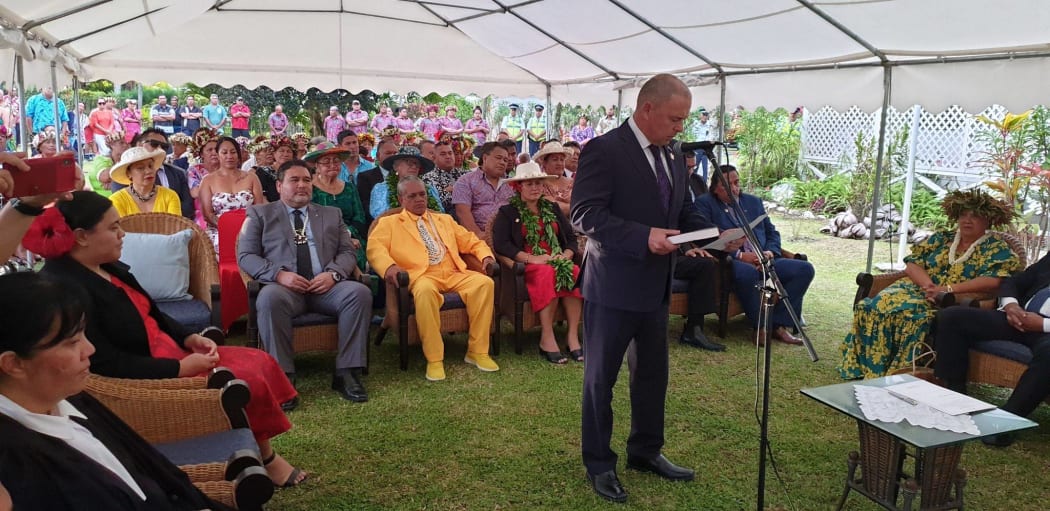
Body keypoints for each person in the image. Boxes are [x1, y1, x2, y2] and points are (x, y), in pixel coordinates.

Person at [30, 191, 304, 487]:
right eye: (113, 228)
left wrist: (188, 338)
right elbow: (104, 363)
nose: (122, 234)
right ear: (82, 236)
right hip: (148, 371)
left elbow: (152, 312)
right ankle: (267, 458)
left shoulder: (103, 264)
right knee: (246, 375)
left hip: (170, 350)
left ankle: (262, 453)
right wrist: (180, 369)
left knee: (258, 360)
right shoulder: (66, 289)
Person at [571, 74, 716, 502]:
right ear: (647, 108)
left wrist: (713, 234)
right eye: (674, 118)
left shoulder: (672, 155)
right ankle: (599, 463)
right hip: (612, 287)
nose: (679, 128)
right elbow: (584, 214)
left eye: (684, 120)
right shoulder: (604, 149)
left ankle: (646, 451)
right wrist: (642, 236)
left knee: (652, 376)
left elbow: (683, 211)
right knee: (601, 380)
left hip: (656, 287)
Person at [0, 272, 234, 510]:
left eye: (84, 335)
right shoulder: (19, 466)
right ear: (13, 364)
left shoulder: (70, 400)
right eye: (71, 342)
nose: (89, 349)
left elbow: (155, 478)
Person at [840, 189, 1021, 380]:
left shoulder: (996, 248)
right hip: (917, 287)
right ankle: (864, 367)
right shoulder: (941, 238)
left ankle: (900, 373)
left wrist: (945, 290)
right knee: (872, 305)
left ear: (989, 220)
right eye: (963, 215)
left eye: (975, 216)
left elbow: (994, 280)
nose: (967, 220)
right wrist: (929, 286)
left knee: (909, 315)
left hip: (950, 299)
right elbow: (912, 264)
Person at [238, 160, 372, 403]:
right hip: (285, 289)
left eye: (307, 180)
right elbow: (246, 256)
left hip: (326, 288)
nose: (302, 185)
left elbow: (347, 252)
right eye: (294, 180)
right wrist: (279, 275)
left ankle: (346, 372)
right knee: (268, 298)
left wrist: (332, 274)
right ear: (279, 186)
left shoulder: (331, 214)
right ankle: (283, 376)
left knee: (359, 292)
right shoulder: (260, 214)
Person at [367, 175, 498, 381]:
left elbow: (471, 241)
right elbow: (375, 249)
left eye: (422, 194)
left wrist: (486, 256)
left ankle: (478, 351)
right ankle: (435, 359)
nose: (419, 199)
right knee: (425, 291)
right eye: (412, 196)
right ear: (401, 200)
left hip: (453, 272)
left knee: (484, 283)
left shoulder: (444, 219)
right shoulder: (389, 223)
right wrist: (390, 267)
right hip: (420, 275)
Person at [934, 250, 1050, 447]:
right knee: (951, 317)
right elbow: (1015, 281)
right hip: (1018, 318)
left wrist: (1043, 325)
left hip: (1046, 331)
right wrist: (1011, 306)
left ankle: (1007, 422)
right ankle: (955, 395)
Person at [697, 165, 813, 346]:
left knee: (805, 269)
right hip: (733, 260)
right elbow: (706, 237)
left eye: (736, 183)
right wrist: (741, 256)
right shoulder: (705, 203)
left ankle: (778, 324)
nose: (734, 188)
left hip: (764, 257)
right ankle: (760, 327)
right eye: (728, 185)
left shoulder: (753, 202)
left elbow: (772, 232)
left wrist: (770, 252)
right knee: (746, 273)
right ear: (715, 188)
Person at [492, 162, 583, 363]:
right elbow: (501, 244)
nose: (535, 188)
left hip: (557, 258)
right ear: (519, 187)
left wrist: (566, 255)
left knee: (574, 271)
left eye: (538, 183)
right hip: (529, 264)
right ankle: (547, 337)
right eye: (529, 184)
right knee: (547, 273)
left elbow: (570, 238)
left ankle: (572, 337)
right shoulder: (508, 212)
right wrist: (532, 258)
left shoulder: (552, 207)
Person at [304, 142, 367, 269]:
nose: (332, 165)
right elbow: (307, 219)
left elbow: (359, 217)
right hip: (318, 239)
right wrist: (339, 239)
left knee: (357, 254)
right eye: (326, 162)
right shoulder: (310, 189)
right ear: (317, 166)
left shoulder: (349, 188)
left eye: (336, 161)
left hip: (351, 237)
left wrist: (348, 235)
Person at [199, 137, 265, 251]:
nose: (229, 156)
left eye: (233, 152)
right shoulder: (207, 180)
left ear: (238, 154)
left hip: (249, 230)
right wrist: (227, 227)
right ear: (218, 155)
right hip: (219, 231)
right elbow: (208, 214)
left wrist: (245, 228)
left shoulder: (251, 177)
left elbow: (259, 208)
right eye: (224, 152)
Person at [125, 129, 194, 220]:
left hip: (174, 227)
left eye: (164, 147)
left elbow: (187, 208)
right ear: (140, 145)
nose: (159, 149)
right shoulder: (124, 176)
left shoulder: (179, 173)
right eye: (154, 144)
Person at [452, 141, 512, 238]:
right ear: (484, 158)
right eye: (498, 158)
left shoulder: (511, 184)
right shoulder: (465, 181)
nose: (502, 162)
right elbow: (462, 213)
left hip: (510, 238)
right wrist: (479, 235)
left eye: (505, 160)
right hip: (480, 238)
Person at [369, 146, 443, 220]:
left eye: (417, 164)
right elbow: (380, 216)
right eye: (409, 162)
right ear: (396, 166)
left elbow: (440, 214)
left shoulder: (429, 189)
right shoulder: (382, 189)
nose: (414, 166)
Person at [107, 147, 181, 217]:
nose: (148, 171)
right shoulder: (117, 200)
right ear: (128, 174)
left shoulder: (170, 196)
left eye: (150, 166)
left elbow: (175, 228)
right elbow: (120, 228)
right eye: (140, 168)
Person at [185, 128, 222, 231]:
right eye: (209, 150)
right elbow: (195, 192)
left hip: (226, 210)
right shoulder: (194, 170)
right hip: (202, 212)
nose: (214, 153)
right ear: (201, 154)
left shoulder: (226, 168)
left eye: (216, 149)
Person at [356, 139, 400, 223]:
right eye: (388, 153)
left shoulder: (403, 176)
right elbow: (364, 207)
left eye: (395, 153)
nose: (392, 156)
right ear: (377, 156)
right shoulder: (365, 177)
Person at [422, 138, 467, 213]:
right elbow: (439, 203)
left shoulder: (464, 174)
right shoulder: (429, 177)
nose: (448, 156)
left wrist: (451, 190)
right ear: (434, 158)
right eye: (443, 154)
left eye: (450, 153)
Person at [532, 141, 574, 217]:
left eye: (562, 160)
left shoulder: (572, 182)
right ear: (544, 163)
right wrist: (573, 207)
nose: (559, 163)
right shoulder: (539, 184)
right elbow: (551, 207)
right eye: (555, 159)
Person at [87, 132, 128, 197]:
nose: (126, 145)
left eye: (126, 143)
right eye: (121, 143)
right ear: (111, 145)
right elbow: (104, 177)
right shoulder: (101, 159)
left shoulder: (123, 161)